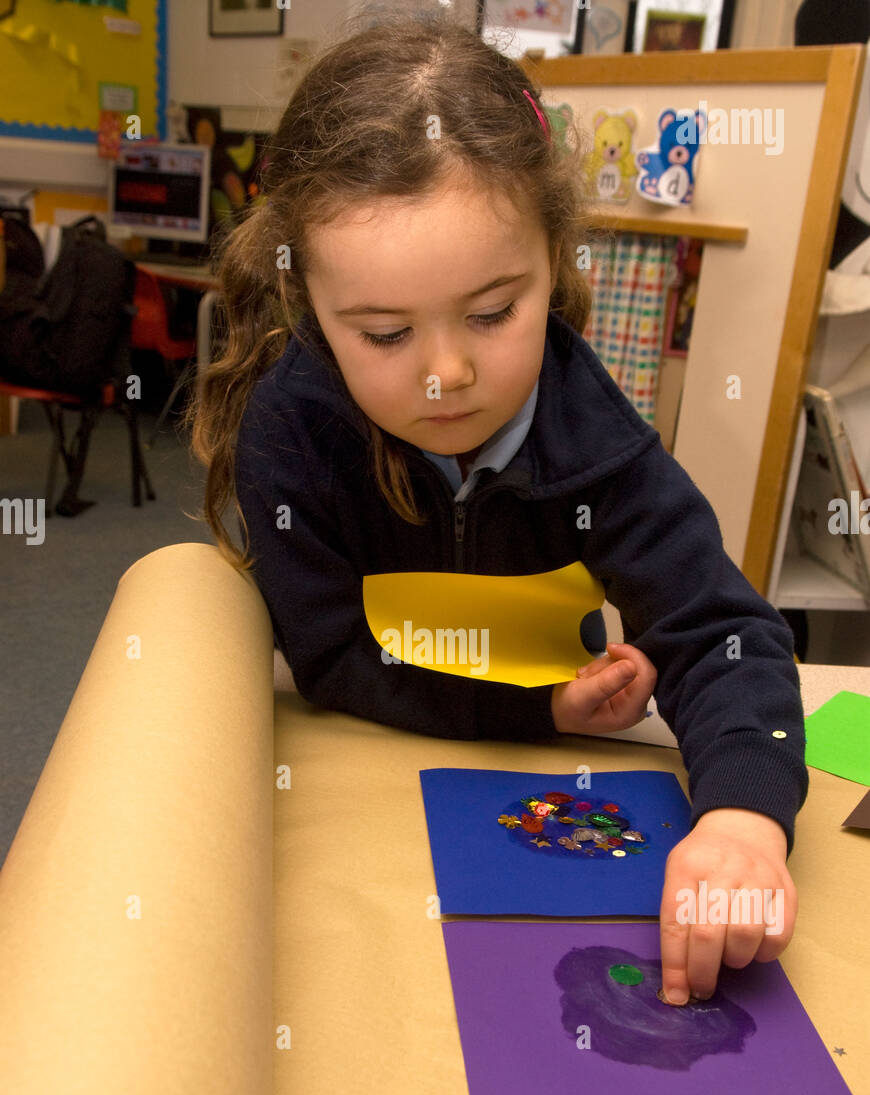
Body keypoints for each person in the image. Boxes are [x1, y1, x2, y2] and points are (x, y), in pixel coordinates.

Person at [191, 6, 807, 1007]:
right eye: (385, 333)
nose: (448, 375)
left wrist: (744, 818)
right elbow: (336, 656)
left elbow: (726, 632)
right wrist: (535, 707)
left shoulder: (593, 437)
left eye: (492, 312)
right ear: (312, 307)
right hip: (360, 795)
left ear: (556, 261)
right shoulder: (292, 433)